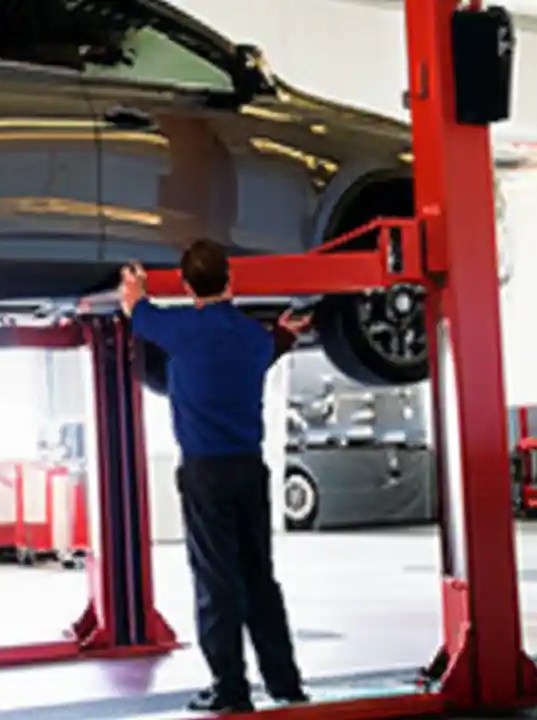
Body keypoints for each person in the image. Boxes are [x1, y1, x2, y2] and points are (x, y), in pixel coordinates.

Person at [119, 239, 311, 714]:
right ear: (231, 279)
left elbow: (135, 309)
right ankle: (285, 683)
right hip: (249, 470)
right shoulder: (252, 337)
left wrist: (135, 283)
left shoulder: (180, 328)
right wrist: (285, 335)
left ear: (186, 286)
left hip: (205, 473)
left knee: (216, 581)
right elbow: (268, 349)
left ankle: (230, 688)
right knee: (259, 577)